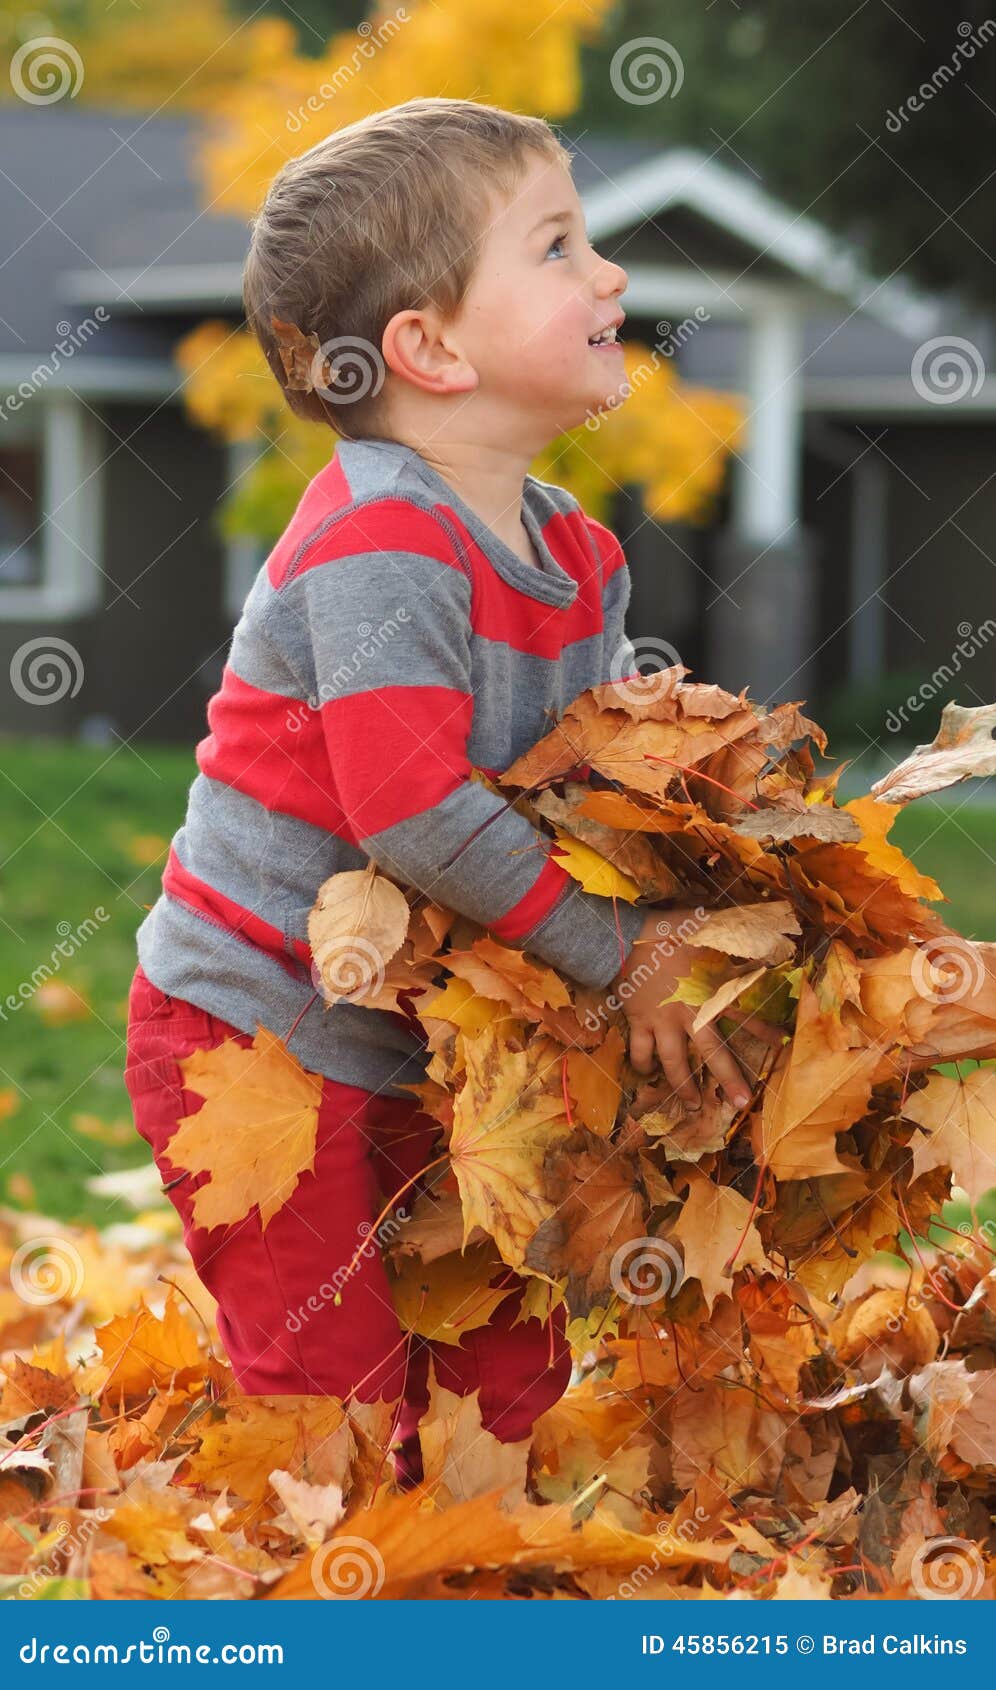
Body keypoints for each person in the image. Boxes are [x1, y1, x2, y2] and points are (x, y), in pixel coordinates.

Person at [123, 96, 767, 1489]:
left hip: (439, 1046)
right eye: (556, 247)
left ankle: (487, 1600)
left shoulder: (580, 557)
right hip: (257, 1040)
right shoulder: (381, 536)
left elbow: (566, 794)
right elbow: (410, 811)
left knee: (509, 1390)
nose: (611, 275)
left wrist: (698, 894)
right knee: (339, 1422)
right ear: (426, 347)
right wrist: (617, 960)